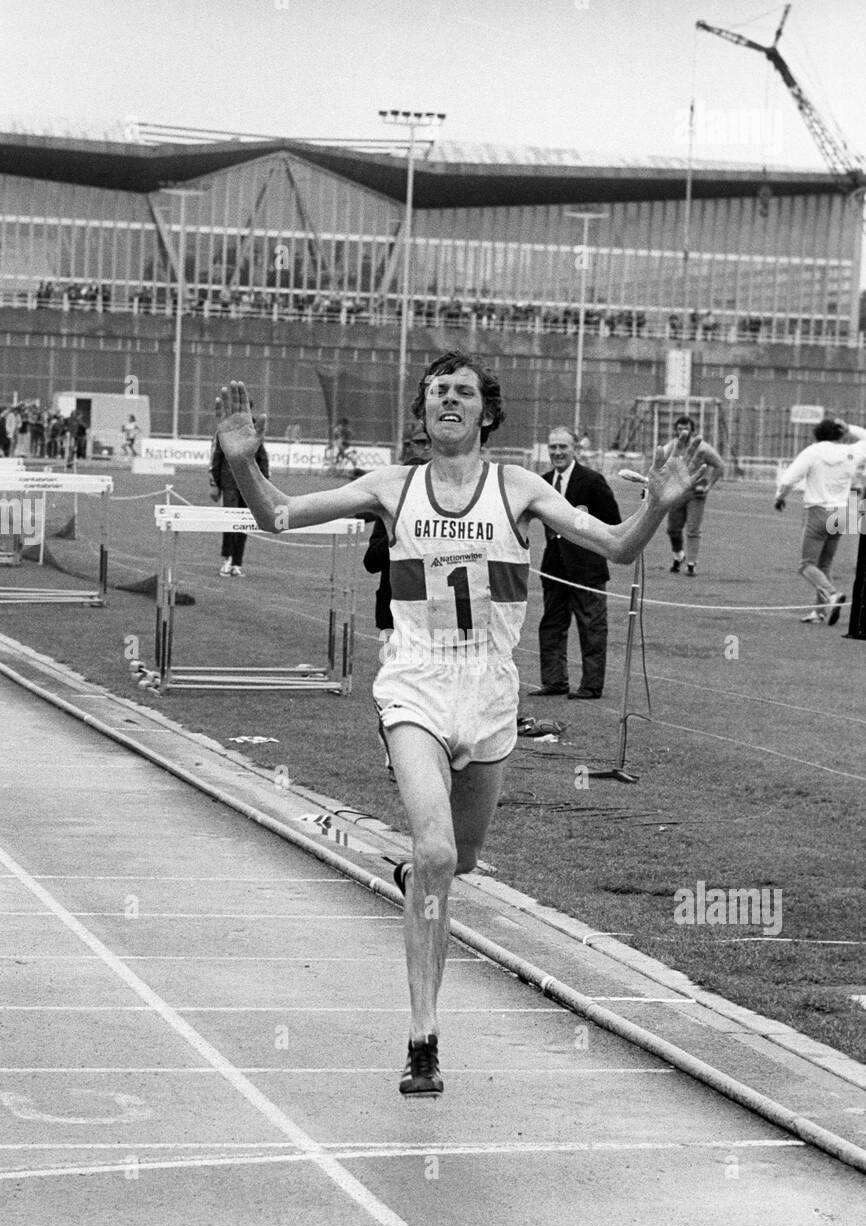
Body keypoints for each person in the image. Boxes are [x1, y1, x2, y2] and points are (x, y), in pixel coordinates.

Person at [214, 352, 708, 1097]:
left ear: (486, 411)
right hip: (415, 682)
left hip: (489, 692)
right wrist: (245, 465)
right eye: (437, 391)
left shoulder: (518, 488)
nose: (449, 399)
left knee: (459, 862)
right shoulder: (392, 487)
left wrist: (657, 507)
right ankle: (422, 1039)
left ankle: (423, 879)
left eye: (464, 391)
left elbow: (613, 546)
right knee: (438, 850)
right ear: (422, 412)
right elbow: (277, 516)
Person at [530, 425, 621, 699]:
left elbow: (613, 523)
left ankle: (591, 685)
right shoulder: (542, 482)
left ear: (575, 449)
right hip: (554, 569)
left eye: (563, 447)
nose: (558, 452)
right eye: (553, 447)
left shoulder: (592, 481)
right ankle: (554, 681)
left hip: (587, 570)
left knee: (591, 627)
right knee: (551, 625)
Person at [774, 415, 866, 625]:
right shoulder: (851, 451)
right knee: (824, 564)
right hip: (846, 511)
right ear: (840, 433)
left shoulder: (813, 451)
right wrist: (849, 427)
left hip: (819, 509)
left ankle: (832, 595)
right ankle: (820, 612)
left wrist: (780, 497)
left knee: (806, 565)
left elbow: (789, 478)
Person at [363, 426, 431, 631]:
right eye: (420, 443)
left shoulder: (452, 508)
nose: (426, 447)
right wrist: (399, 529)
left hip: (437, 618)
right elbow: (371, 563)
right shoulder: (390, 510)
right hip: (393, 616)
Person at [209, 402, 270, 578]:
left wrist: (263, 483)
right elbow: (217, 458)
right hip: (230, 483)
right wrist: (215, 484)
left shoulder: (253, 429)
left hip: (249, 485)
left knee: (244, 523)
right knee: (230, 521)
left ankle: (237, 563)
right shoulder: (226, 429)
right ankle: (227, 559)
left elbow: (262, 458)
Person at [665, 415, 725, 574]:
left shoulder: (703, 448)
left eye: (686, 428)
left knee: (692, 529)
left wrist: (708, 486)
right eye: (679, 429)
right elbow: (660, 464)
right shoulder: (672, 446)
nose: (682, 432)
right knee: (672, 529)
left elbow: (720, 466)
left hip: (695, 493)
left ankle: (691, 563)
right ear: (675, 430)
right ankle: (678, 556)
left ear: (692, 430)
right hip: (676, 492)